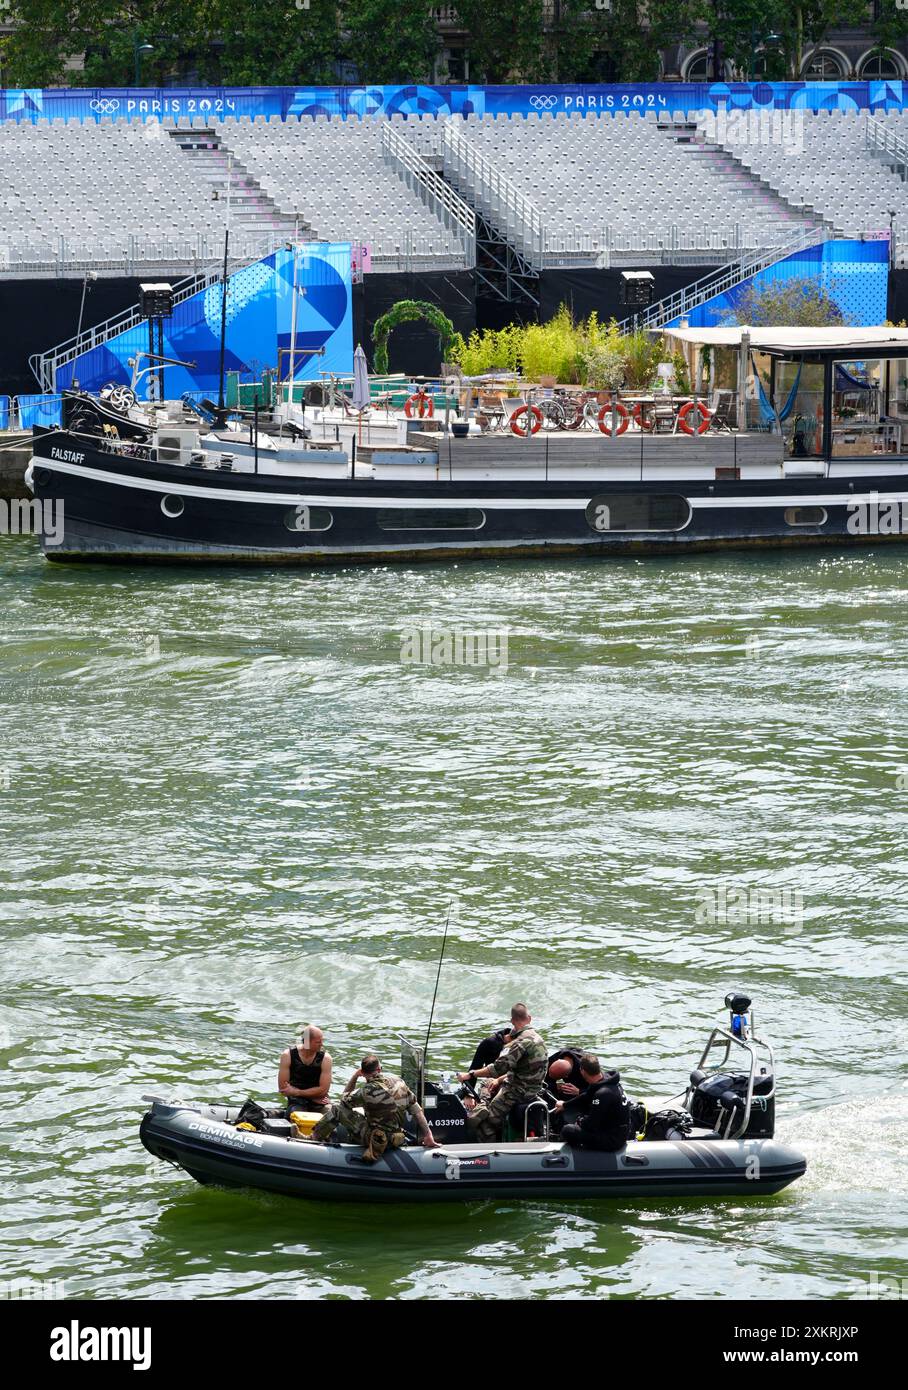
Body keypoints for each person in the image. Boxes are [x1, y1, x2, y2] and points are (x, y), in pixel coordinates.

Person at [311, 1053, 438, 1161]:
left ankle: (314, 1139)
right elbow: (417, 1111)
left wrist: (355, 1077)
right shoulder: (399, 1082)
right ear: (379, 1069)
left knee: (336, 1109)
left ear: (363, 1073)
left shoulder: (366, 1091)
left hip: (375, 1139)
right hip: (397, 1139)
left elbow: (343, 1101)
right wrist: (428, 1135)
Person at [457, 1003, 547, 1142]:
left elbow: (497, 1068)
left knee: (486, 1123)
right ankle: (484, 1103)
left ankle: (489, 1150)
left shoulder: (518, 1043)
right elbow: (524, 1069)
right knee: (489, 1084)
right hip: (533, 1090)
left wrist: (470, 1074)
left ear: (512, 1021)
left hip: (516, 1092)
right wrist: (498, 1080)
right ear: (529, 1018)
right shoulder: (539, 1039)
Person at [555, 1054, 630, 1153]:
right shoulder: (605, 1080)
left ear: (582, 1071)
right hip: (616, 1128)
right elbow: (587, 1095)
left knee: (568, 1130)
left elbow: (591, 1125)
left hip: (613, 1140)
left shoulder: (602, 1094)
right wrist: (565, 1105)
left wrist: (580, 1121)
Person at [278, 1026, 332, 1114]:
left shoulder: (326, 1059)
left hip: (320, 1102)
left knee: (331, 1113)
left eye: (322, 1041)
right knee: (297, 1114)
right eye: (318, 1042)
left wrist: (297, 1092)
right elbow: (283, 1089)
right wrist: (313, 1095)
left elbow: (323, 1090)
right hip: (297, 1101)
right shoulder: (288, 1055)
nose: (322, 1044)